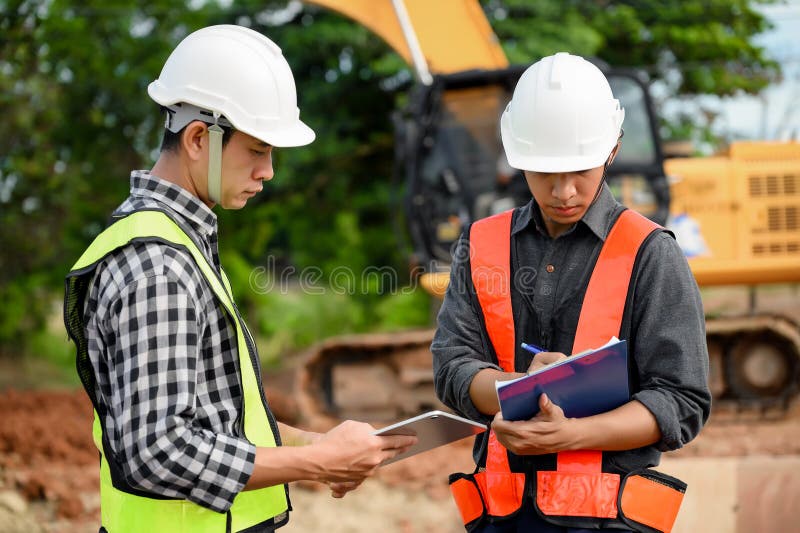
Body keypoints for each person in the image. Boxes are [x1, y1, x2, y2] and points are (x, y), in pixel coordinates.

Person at [64, 25, 415, 533]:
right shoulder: (158, 264)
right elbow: (160, 450)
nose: (268, 171)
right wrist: (318, 464)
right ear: (199, 138)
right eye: (257, 149)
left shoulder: (181, 244)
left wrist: (317, 446)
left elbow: (221, 419)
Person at [431, 52, 711, 532]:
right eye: (544, 172)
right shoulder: (481, 244)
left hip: (609, 521)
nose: (563, 191)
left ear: (612, 150)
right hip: (501, 518)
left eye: (579, 169)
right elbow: (453, 365)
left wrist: (572, 436)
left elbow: (680, 399)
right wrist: (514, 389)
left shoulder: (649, 252)